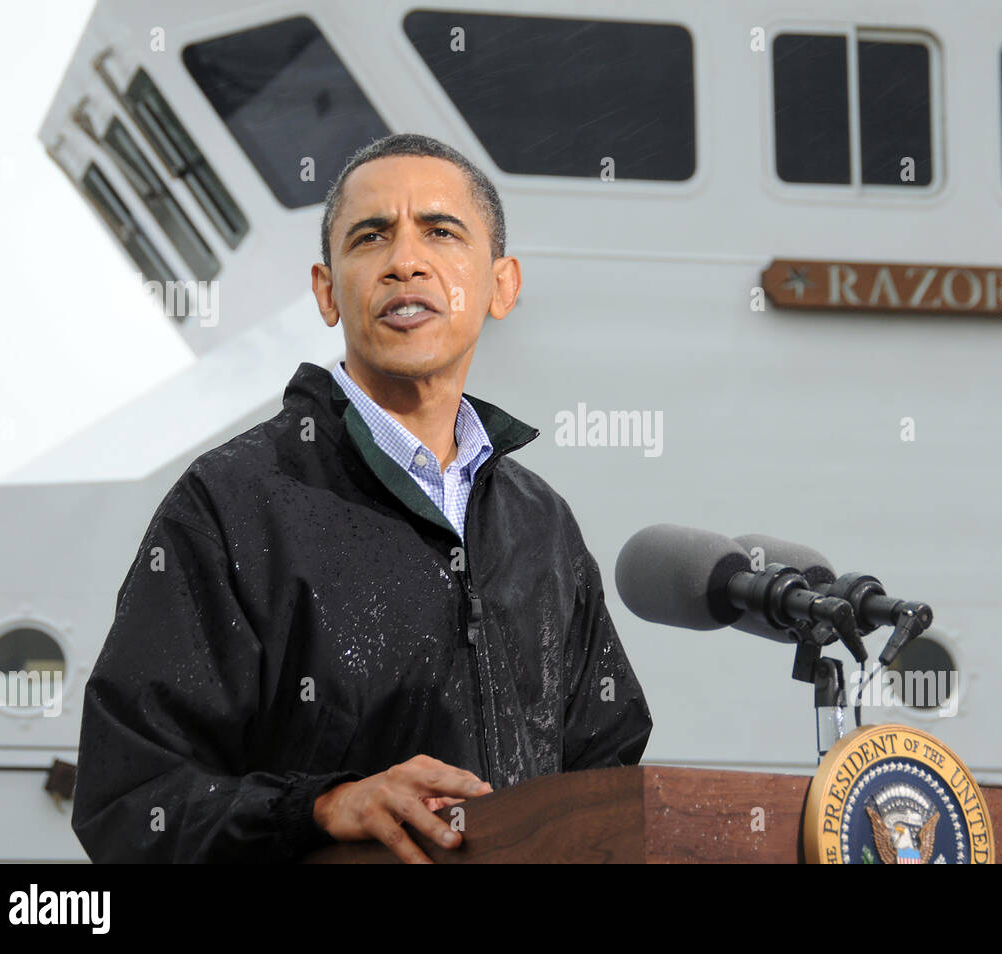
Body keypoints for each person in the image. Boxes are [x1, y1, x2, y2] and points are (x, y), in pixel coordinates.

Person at [70, 133, 653, 864]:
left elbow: (607, 783)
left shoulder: (543, 526)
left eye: (441, 232)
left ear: (502, 285)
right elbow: (131, 801)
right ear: (326, 290)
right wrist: (317, 807)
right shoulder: (232, 503)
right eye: (371, 236)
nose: (405, 261)